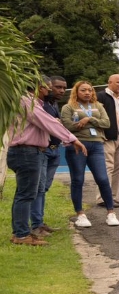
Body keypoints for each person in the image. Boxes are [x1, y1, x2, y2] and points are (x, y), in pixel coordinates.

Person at [8, 77, 86, 245]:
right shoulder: (27, 102)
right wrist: (72, 138)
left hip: (27, 152)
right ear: (39, 87)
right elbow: (48, 122)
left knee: (24, 194)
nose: (50, 90)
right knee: (26, 194)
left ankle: (20, 232)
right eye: (48, 87)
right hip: (26, 152)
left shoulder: (33, 102)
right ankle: (21, 235)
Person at [61, 80, 119, 227]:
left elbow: (107, 123)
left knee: (102, 179)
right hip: (77, 145)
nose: (87, 93)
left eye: (89, 90)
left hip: (97, 145)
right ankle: (80, 215)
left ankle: (111, 213)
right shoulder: (68, 107)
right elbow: (67, 126)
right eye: (83, 90)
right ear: (76, 92)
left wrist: (88, 119)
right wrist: (92, 123)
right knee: (78, 180)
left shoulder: (98, 106)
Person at [31, 76, 67, 238]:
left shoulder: (54, 104)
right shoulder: (38, 105)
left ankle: (39, 222)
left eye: (64, 88)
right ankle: (36, 224)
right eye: (57, 87)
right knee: (38, 189)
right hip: (43, 149)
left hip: (54, 150)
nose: (61, 90)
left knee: (44, 188)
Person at [96, 74, 119, 208]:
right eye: (118, 82)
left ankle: (113, 197)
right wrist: (100, 132)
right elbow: (95, 115)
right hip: (107, 137)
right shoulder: (101, 96)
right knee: (108, 167)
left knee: (118, 168)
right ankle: (102, 198)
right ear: (109, 82)